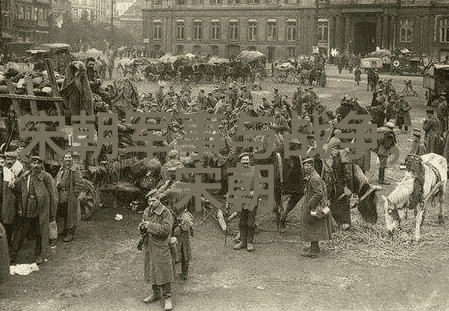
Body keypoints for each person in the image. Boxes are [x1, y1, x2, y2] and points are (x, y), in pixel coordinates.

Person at [10, 156, 57, 265]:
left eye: (38, 163)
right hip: (28, 209)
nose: (36, 165)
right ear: (30, 164)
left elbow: (53, 195)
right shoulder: (26, 176)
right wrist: (12, 183)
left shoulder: (46, 177)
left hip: (41, 210)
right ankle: (13, 255)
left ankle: (39, 255)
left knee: (40, 233)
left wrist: (51, 213)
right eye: (34, 163)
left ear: (41, 165)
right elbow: (18, 189)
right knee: (20, 233)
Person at [156, 167, 194, 281]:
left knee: (170, 243)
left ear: (170, 178)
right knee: (185, 246)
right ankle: (185, 273)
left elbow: (158, 196)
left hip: (172, 218)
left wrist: (166, 185)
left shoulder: (171, 190)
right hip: (184, 218)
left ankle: (171, 271)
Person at [139, 197, 174, 311]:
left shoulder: (165, 212)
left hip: (161, 246)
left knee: (164, 271)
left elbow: (166, 230)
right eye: (149, 201)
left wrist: (149, 225)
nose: (151, 203)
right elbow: (143, 227)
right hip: (149, 245)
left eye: (154, 201)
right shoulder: (146, 211)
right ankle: (156, 293)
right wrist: (142, 228)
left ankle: (167, 298)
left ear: (159, 200)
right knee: (151, 269)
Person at [300, 157, 334, 258]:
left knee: (312, 225)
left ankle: (314, 250)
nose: (306, 167)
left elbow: (319, 193)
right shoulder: (311, 176)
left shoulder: (314, 178)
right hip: (311, 203)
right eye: (305, 165)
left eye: (308, 165)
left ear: (312, 166)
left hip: (313, 205)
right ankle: (314, 247)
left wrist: (310, 204)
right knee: (312, 225)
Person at [55, 153, 84, 243]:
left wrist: (75, 194)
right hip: (62, 195)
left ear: (72, 159)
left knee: (71, 214)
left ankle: (70, 233)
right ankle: (65, 230)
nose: (67, 159)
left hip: (70, 195)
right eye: (66, 157)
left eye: (69, 157)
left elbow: (80, 182)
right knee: (64, 213)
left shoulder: (75, 169)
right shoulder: (61, 169)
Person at [232, 153, 258, 252]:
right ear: (240, 161)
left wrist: (255, 191)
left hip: (251, 200)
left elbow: (261, 184)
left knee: (250, 222)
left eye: (247, 160)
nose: (245, 162)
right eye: (243, 160)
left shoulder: (255, 171)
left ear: (249, 161)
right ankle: (242, 241)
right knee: (242, 222)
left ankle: (249, 242)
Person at [0, 154, 16, 252]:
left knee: (7, 226)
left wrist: (14, 182)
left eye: (2, 162)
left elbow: (14, 188)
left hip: (6, 204)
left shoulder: (8, 173)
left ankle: (7, 247)